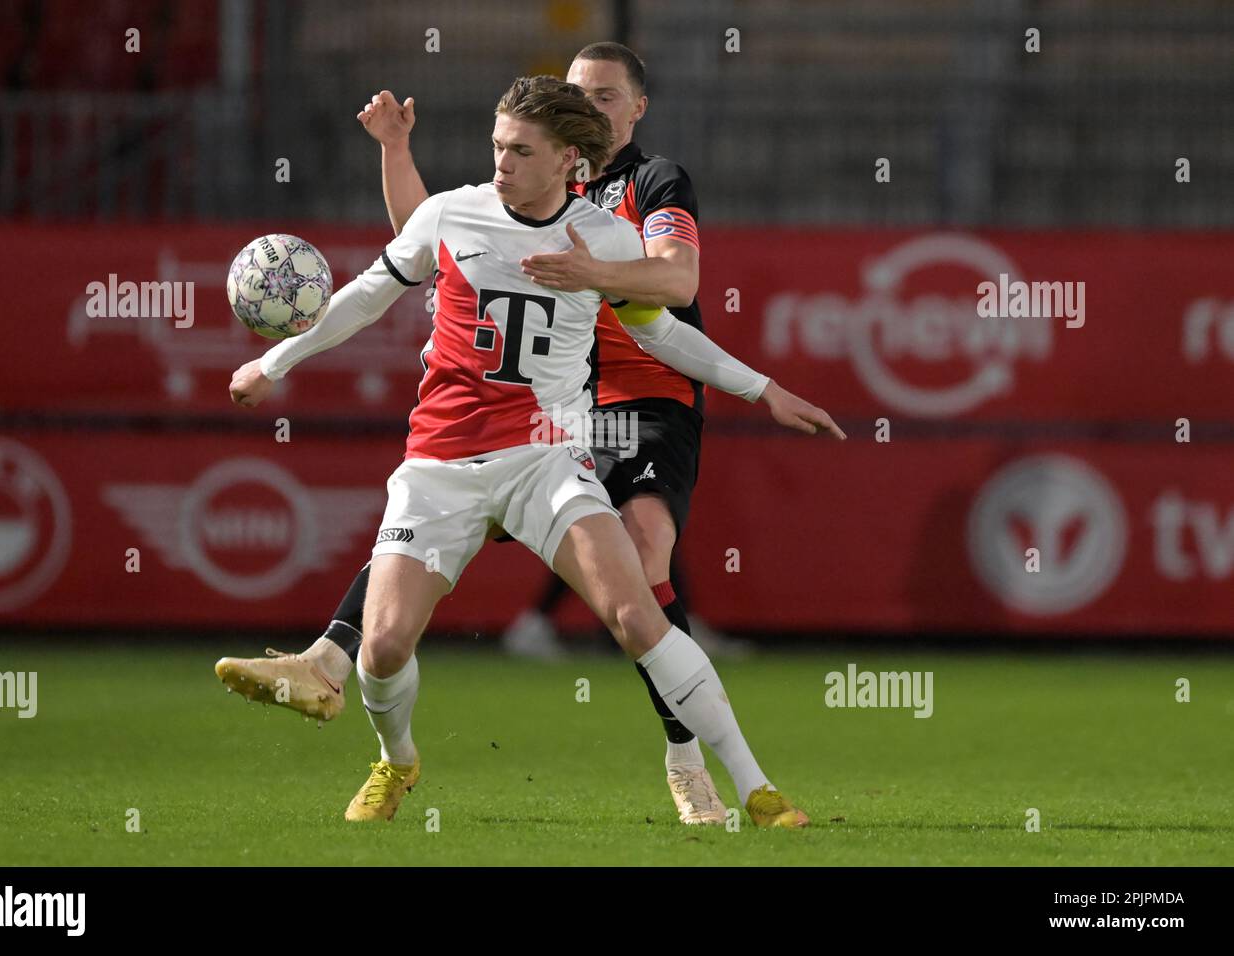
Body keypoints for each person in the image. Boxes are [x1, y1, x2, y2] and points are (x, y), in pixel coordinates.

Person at [218, 76, 843, 828]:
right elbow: (364, 295)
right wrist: (273, 363)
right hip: (441, 463)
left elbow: (661, 331)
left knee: (637, 615)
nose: (502, 163)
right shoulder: (451, 213)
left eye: (520, 150)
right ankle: (398, 760)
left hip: (545, 459)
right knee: (382, 648)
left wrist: (763, 388)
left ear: (568, 160)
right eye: (496, 146)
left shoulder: (603, 238)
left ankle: (756, 789)